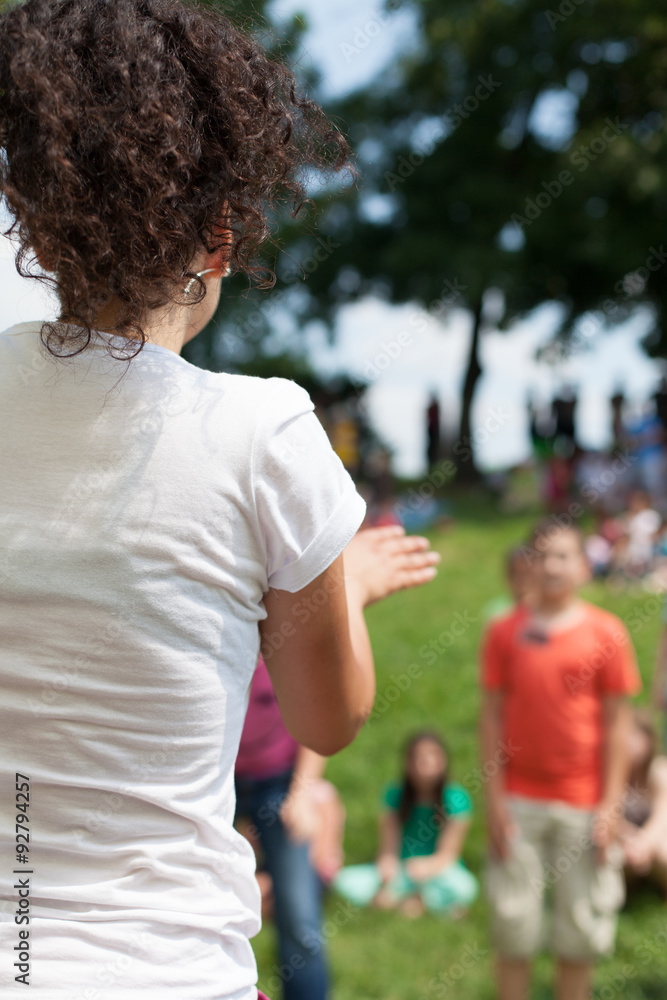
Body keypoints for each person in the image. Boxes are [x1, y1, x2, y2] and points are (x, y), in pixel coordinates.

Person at [0, 1, 442, 997]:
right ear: (218, 241)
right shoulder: (264, 431)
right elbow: (329, 717)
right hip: (166, 967)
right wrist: (350, 589)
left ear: (32, 215)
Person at [480, 520, 642, 1000]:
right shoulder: (504, 631)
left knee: (579, 933)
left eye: (563, 556)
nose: (551, 566)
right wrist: (494, 801)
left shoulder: (607, 632)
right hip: (518, 802)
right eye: (542, 556)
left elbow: (619, 725)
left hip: (584, 803)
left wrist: (611, 803)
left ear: (584, 566)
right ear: (528, 565)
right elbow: (490, 718)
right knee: (514, 931)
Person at [234, 654, 346, 1000]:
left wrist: (302, 793)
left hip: (280, 787)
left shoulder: (285, 645)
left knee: (299, 917)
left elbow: (321, 713)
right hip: (220, 784)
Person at [332, 731, 478, 918]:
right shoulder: (394, 796)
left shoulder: (456, 799)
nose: (425, 762)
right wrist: (387, 870)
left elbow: (448, 855)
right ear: (407, 763)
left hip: (439, 872)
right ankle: (420, 902)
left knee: (464, 888)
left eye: (433, 755)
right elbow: (388, 851)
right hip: (402, 870)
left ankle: (413, 900)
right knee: (343, 881)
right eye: (419, 757)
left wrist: (426, 867)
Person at [620, 709, 667, 897]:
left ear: (648, 740)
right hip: (624, 839)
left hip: (655, 838)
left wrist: (644, 843)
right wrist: (629, 838)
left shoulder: (659, 770)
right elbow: (606, 816)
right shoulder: (613, 775)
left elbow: (662, 815)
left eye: (636, 735)